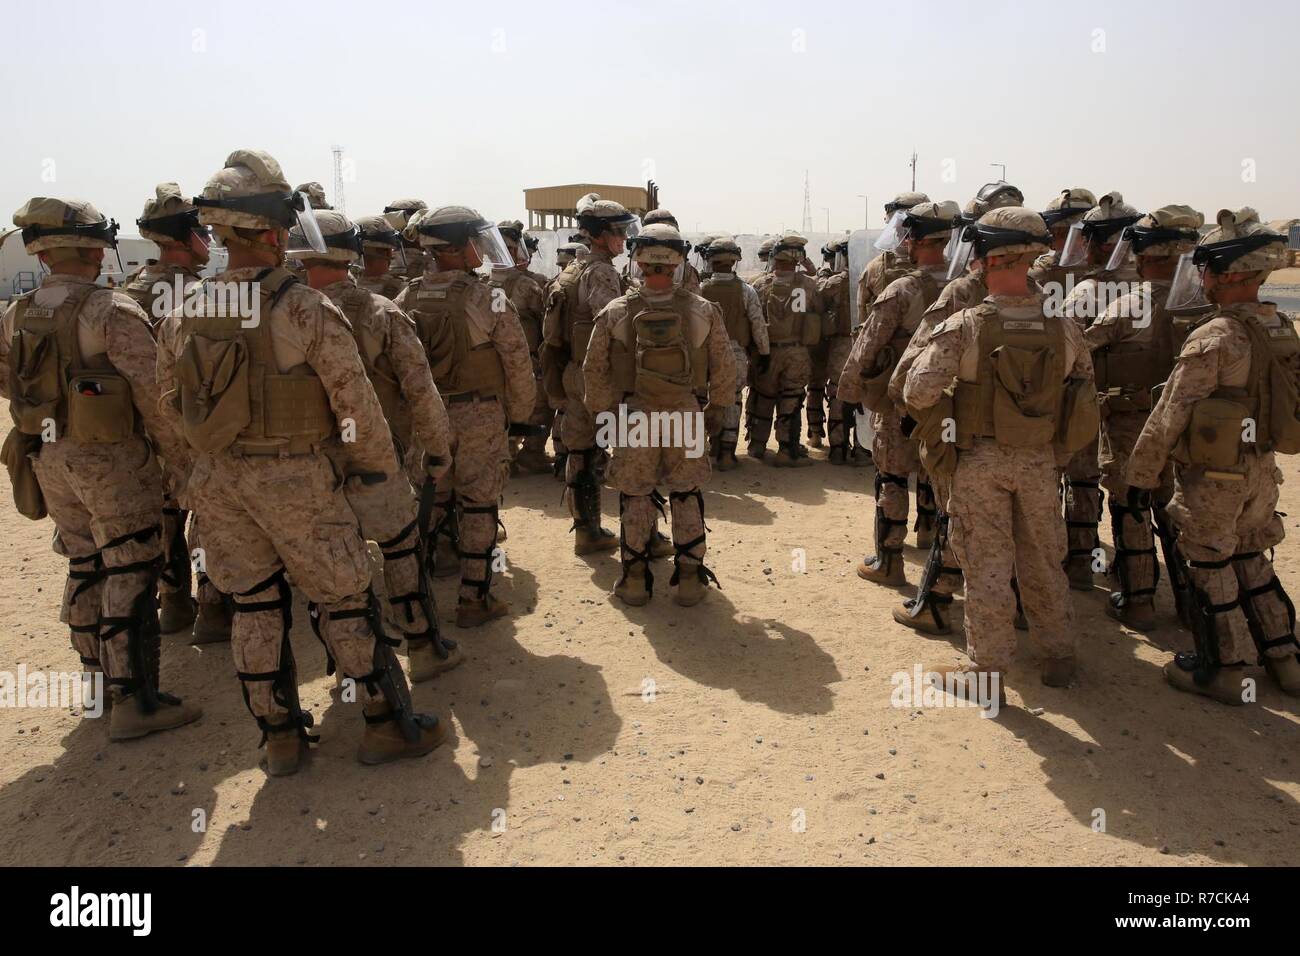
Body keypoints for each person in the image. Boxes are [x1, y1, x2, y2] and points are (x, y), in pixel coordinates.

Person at [159, 149, 445, 774]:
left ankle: (280, 738)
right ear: (276, 230)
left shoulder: (184, 312)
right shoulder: (303, 308)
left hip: (219, 483)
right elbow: (358, 410)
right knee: (344, 599)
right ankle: (383, 724)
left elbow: (170, 409)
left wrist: (194, 480)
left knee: (255, 605)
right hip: (295, 478)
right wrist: (376, 477)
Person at [1, 197, 201, 740]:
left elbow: (9, 382)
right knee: (132, 567)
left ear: (42, 255)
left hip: (50, 458)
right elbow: (155, 398)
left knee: (84, 565)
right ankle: (134, 698)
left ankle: (95, 684)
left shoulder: (19, 312)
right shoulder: (109, 310)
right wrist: (183, 467)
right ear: (95, 249)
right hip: (111, 462)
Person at [904, 207, 1097, 700]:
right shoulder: (1063, 326)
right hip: (1039, 460)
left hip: (981, 462)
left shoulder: (968, 325)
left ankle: (988, 675)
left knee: (988, 564)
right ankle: (1059, 657)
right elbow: (1083, 390)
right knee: (1043, 557)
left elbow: (918, 390)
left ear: (987, 259)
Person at [1126, 208, 1300, 703]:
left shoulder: (1215, 336)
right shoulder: (1279, 324)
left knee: (1209, 562)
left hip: (1215, 477)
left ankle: (1223, 668)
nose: (1199, 278)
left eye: (1206, 269)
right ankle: (1286, 661)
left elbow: (1171, 413)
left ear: (1226, 274)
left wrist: (1140, 476)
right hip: (1262, 471)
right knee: (1253, 559)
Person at [295, 210, 461, 678]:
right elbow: (420, 389)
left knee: (332, 569)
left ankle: (357, 669)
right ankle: (424, 647)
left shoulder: (283, 314)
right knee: (400, 546)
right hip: (376, 455)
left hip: (310, 466)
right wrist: (437, 448)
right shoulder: (380, 312)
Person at [394, 205, 536, 626]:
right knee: (479, 503)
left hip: (428, 416)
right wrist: (519, 416)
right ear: (455, 249)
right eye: (474, 241)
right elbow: (517, 363)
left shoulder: (408, 296)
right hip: (478, 413)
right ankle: (474, 597)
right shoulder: (487, 296)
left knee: (431, 497)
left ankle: (426, 584)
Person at [582, 223, 736, 606]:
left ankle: (634, 580)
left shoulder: (616, 311)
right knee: (686, 494)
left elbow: (594, 370)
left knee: (635, 496)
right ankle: (688, 580)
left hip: (634, 415)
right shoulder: (703, 310)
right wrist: (716, 409)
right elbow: (724, 367)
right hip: (685, 412)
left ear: (638, 259)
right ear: (678, 261)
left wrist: (603, 414)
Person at [1084, 205, 1203, 630]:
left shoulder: (1129, 306)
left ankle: (1139, 602)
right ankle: (1193, 604)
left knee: (1131, 507)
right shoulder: (1204, 305)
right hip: (1193, 431)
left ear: (1146, 255)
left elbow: (1081, 353)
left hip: (1131, 425)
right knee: (1178, 511)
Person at [124, 183, 230, 642]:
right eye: (201, 231)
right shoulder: (202, 299)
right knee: (208, 516)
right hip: (189, 428)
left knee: (164, 516)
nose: (207, 240)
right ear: (185, 238)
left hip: (140, 434)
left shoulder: (127, 293)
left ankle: (173, 603)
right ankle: (212, 609)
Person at [841, 201, 959, 584]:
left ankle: (889, 560)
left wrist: (850, 390)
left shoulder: (902, 288)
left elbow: (867, 345)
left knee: (892, 477)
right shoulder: (964, 288)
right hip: (949, 404)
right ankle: (936, 551)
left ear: (911, 240)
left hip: (899, 401)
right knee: (937, 475)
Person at [541, 193, 640, 554]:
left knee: (581, 451)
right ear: (599, 234)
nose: (624, 239)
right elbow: (612, 327)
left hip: (573, 373)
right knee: (631, 451)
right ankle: (640, 536)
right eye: (619, 232)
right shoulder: (601, 273)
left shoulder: (571, 271)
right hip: (598, 377)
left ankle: (587, 530)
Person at [748, 232, 824, 466]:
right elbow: (819, 310)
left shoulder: (760, 284)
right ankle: (785, 450)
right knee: (790, 399)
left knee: (763, 397)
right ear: (797, 257)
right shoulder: (808, 285)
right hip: (797, 352)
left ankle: (757, 446)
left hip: (767, 351)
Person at [698, 237, 769, 470]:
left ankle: (708, 449)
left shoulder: (700, 290)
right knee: (732, 400)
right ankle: (727, 453)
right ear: (735, 261)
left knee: (705, 400)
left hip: (704, 354)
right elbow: (757, 323)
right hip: (734, 353)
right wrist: (764, 352)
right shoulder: (746, 290)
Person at [493, 220, 553, 474]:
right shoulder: (528, 285)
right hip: (525, 359)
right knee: (540, 406)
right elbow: (546, 322)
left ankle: (507, 454)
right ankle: (531, 453)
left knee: (501, 407)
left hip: (493, 360)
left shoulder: (484, 283)